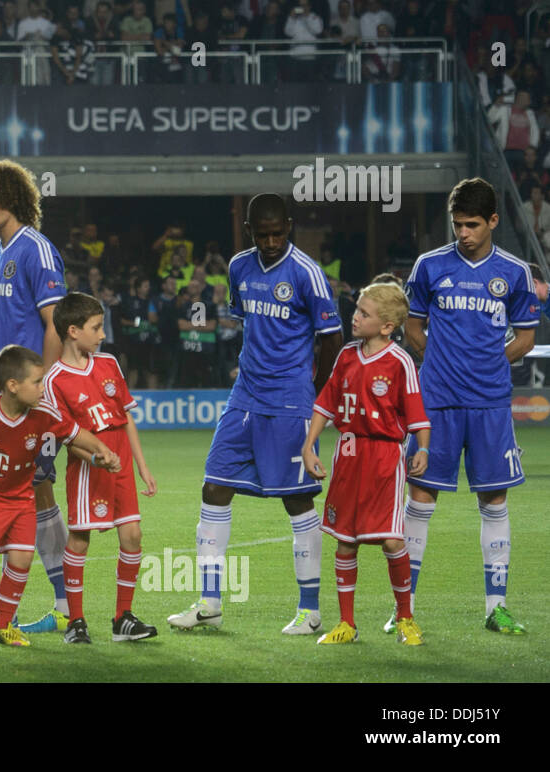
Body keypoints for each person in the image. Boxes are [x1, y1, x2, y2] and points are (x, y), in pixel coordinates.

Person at [168, 193, 342, 634]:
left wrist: (314, 397)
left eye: (277, 233)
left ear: (289, 226)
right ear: (249, 231)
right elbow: (248, 323)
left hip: (289, 401)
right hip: (244, 397)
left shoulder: (308, 274)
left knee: (297, 498)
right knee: (213, 488)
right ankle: (209, 602)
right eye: (261, 234)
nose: (270, 241)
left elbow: (332, 340)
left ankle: (310, 610)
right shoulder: (240, 266)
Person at [398, 178, 540, 635]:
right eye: (458, 224)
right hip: (435, 403)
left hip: (489, 405)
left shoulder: (515, 273)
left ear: (493, 221)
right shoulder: (429, 266)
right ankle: (405, 609)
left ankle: (496, 608)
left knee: (494, 501)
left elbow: (526, 337)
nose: (463, 233)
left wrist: (489, 362)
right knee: (419, 499)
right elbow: (412, 325)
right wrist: (438, 362)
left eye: (473, 225)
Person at [0, 345, 120, 647]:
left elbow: (74, 433)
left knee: (21, 559)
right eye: (37, 382)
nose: (43, 388)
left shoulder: (45, 413)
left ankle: (2, 625)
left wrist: (102, 449)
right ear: (12, 386)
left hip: (21, 496)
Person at [0, 159, 71, 638]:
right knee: (12, 498)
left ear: (10, 197)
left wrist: (38, 393)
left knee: (35, 494)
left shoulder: (36, 251)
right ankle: (15, 611)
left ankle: (65, 605)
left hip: (28, 402)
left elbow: (55, 326)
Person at [299, 282, 431, 647]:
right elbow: (325, 403)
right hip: (348, 454)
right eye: (356, 310)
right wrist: (309, 446)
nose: (355, 317)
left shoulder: (399, 360)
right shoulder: (345, 356)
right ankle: (346, 623)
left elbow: (416, 410)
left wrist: (422, 448)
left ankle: (405, 617)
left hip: (385, 457)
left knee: (391, 540)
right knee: (345, 541)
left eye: (364, 313)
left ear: (387, 326)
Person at [44, 293, 158, 644]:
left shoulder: (108, 364)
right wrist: (96, 457)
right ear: (73, 331)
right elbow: (67, 436)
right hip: (89, 468)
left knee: (133, 535)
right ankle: (76, 621)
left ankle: (122, 617)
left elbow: (125, 418)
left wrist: (141, 466)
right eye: (96, 327)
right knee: (80, 540)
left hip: (121, 462)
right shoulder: (54, 380)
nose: (103, 333)